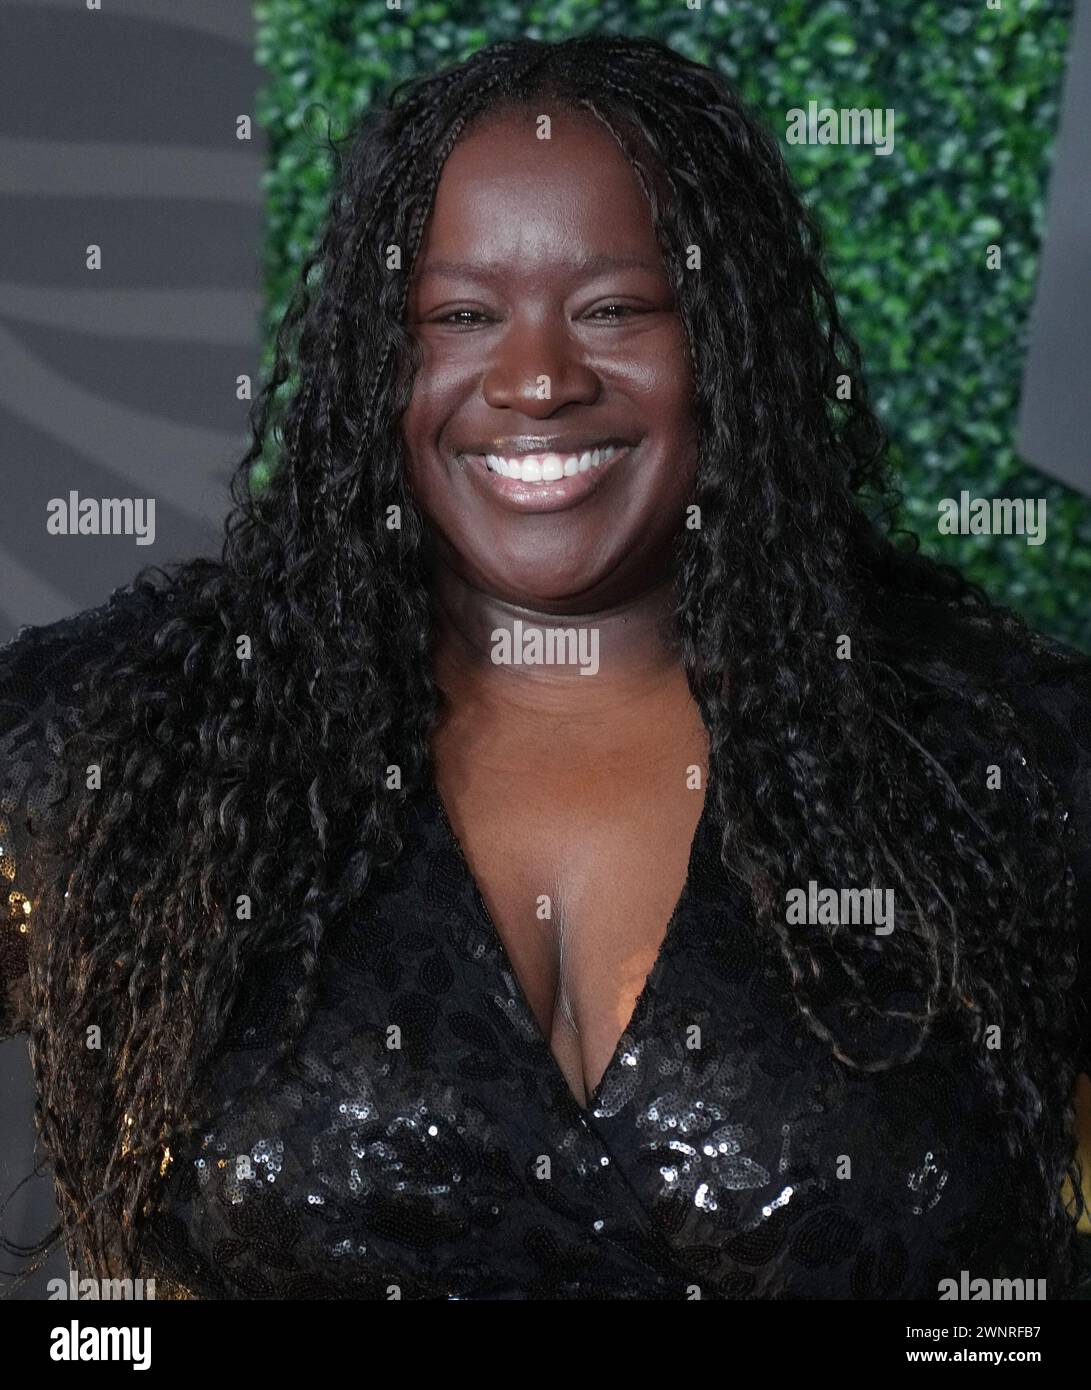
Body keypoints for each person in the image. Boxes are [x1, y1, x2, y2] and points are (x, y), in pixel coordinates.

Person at [2, 33, 1090, 1301]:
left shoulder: (1001, 760)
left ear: (729, 345)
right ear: (378, 364)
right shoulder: (140, 740)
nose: (534, 380)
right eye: (460, 316)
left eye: (613, 309)